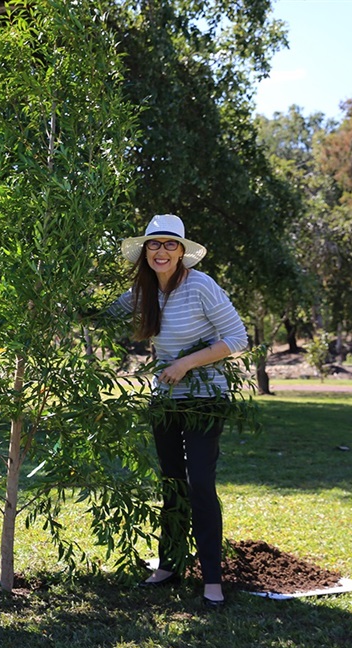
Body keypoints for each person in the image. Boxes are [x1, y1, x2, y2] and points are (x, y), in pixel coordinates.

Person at [111, 214, 248, 609]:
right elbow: (103, 318)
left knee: (200, 483)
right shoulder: (143, 291)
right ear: (146, 252)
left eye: (171, 244)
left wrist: (185, 364)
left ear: (183, 251)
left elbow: (237, 338)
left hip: (206, 399)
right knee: (172, 484)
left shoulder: (201, 286)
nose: (162, 251)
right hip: (166, 402)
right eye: (155, 244)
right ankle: (170, 564)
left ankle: (212, 579)